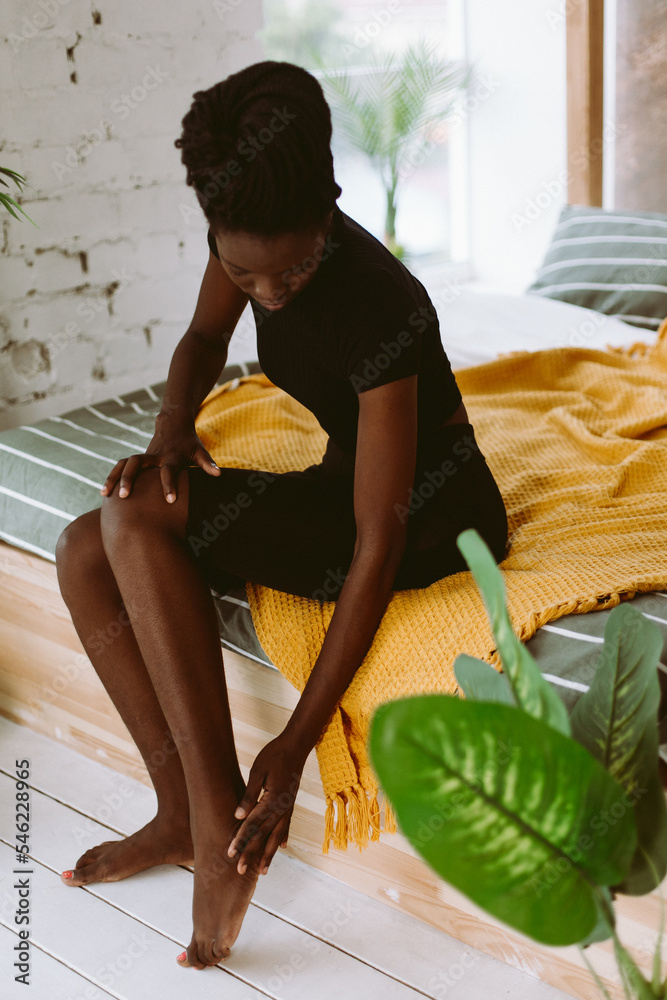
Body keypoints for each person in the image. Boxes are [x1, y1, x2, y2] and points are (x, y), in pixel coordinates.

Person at [54, 60, 508, 971]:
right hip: (338, 489)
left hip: (427, 519)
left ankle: (223, 838)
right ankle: (180, 811)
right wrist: (173, 426)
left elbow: (377, 539)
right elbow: (200, 340)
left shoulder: (381, 303)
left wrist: (295, 743)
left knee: (136, 520)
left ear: (328, 211)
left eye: (289, 273)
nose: (265, 291)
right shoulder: (247, 233)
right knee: (81, 544)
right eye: (242, 270)